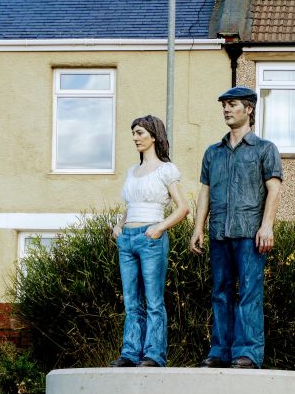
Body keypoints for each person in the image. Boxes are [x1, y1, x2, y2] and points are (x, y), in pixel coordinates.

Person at [189, 87, 283, 369]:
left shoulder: (265, 149)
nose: (227, 110)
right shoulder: (212, 153)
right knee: (220, 292)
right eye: (225, 106)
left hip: (249, 233)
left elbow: (274, 190)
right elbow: (204, 192)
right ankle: (220, 351)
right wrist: (198, 228)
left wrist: (267, 226)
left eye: (232, 105)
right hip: (219, 232)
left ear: (249, 109)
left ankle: (248, 353)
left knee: (249, 292)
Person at [111, 115, 189, 367]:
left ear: (154, 136)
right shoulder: (131, 172)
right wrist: (119, 225)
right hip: (128, 240)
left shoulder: (167, 170)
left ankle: (154, 354)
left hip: (151, 238)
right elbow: (130, 205)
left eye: (140, 133)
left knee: (154, 301)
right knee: (132, 301)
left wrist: (159, 228)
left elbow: (183, 208)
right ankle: (130, 353)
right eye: (133, 133)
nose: (135, 137)